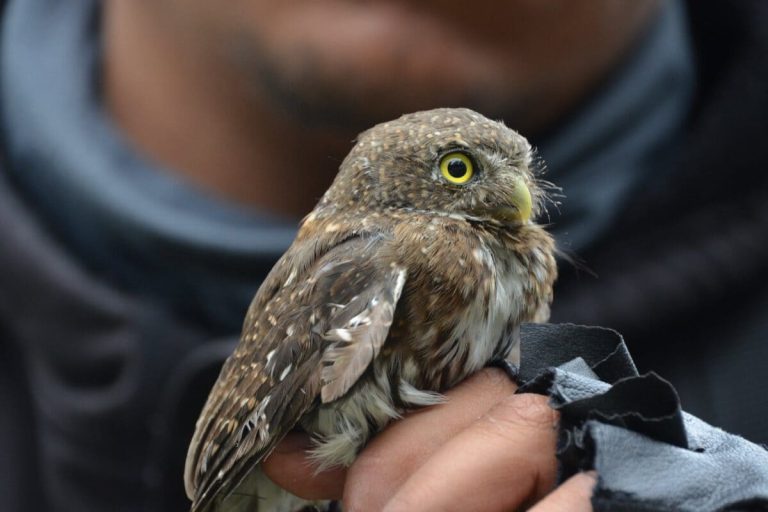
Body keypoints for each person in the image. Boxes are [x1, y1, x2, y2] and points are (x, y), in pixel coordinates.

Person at [0, 0, 766, 510]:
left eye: (520, 177)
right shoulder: (371, 257)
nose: (514, 202)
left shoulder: (517, 255)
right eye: (459, 171)